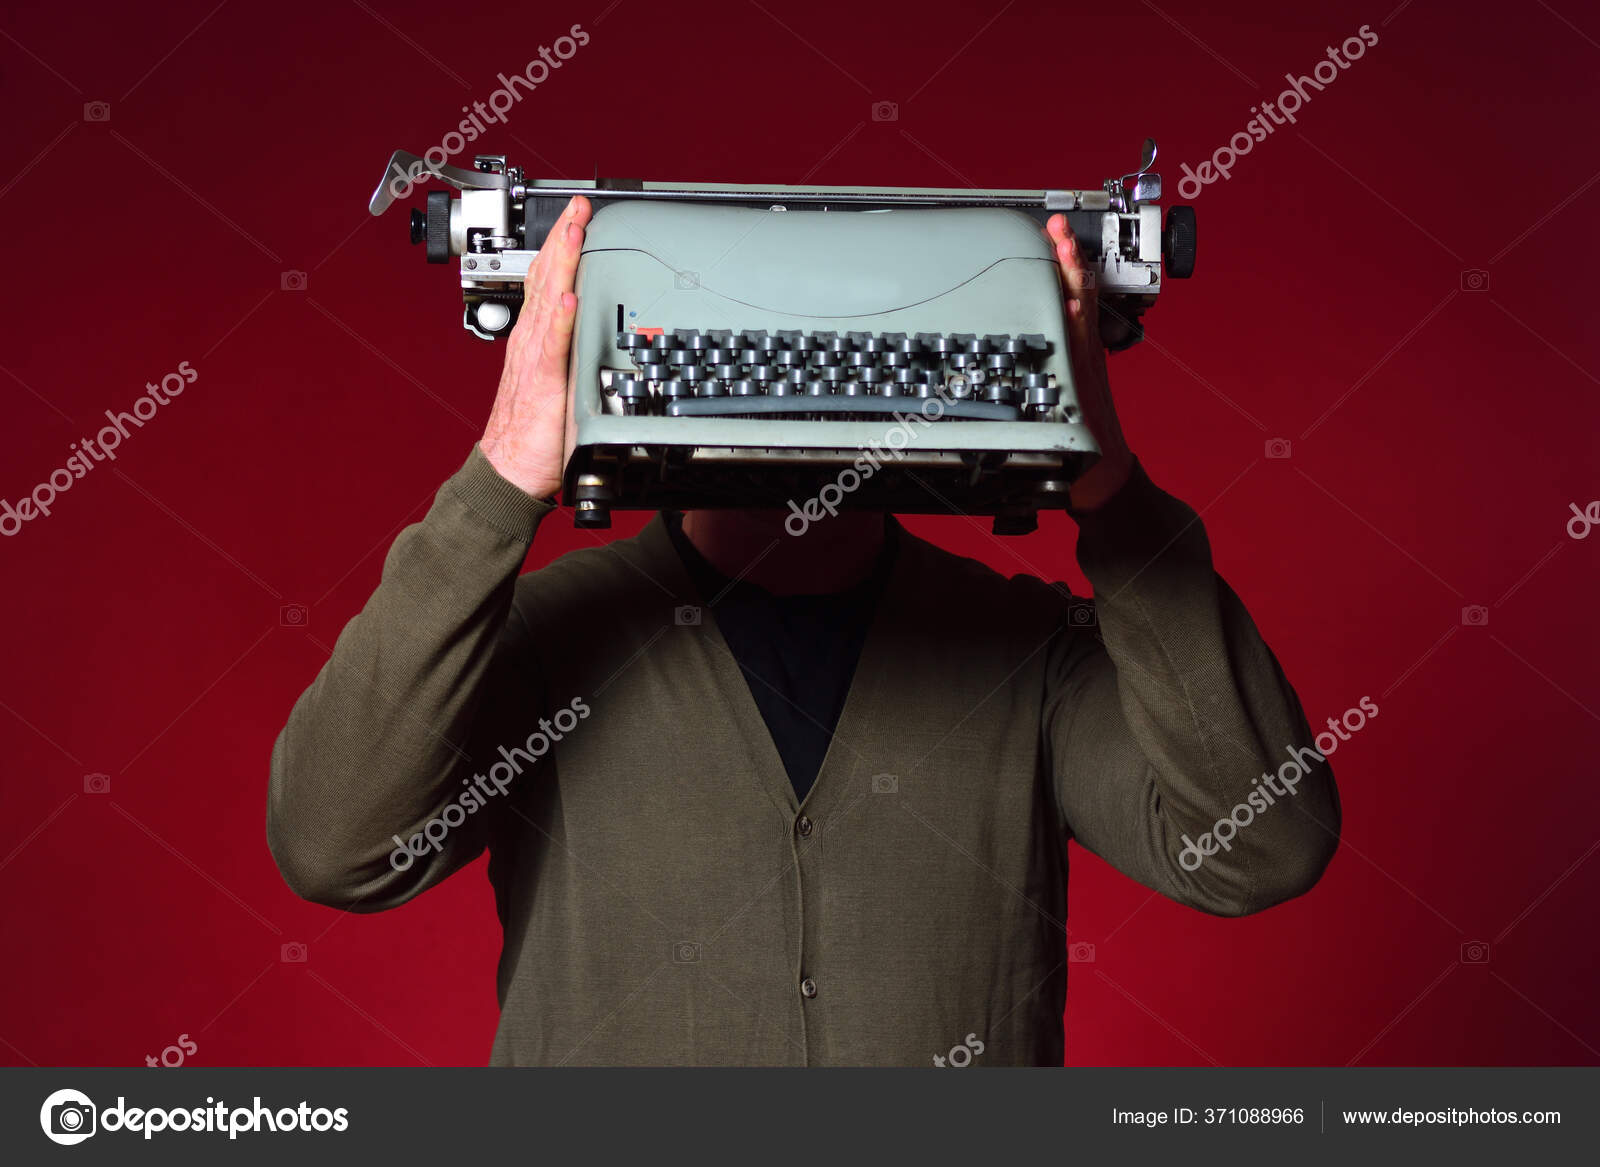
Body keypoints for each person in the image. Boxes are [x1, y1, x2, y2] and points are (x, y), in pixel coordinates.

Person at [268, 196, 1340, 1066]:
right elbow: (335, 849)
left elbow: (1262, 849)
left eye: (852, 351)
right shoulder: (545, 639)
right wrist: (499, 481)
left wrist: (1109, 492)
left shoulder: (1029, 653)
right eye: (744, 345)